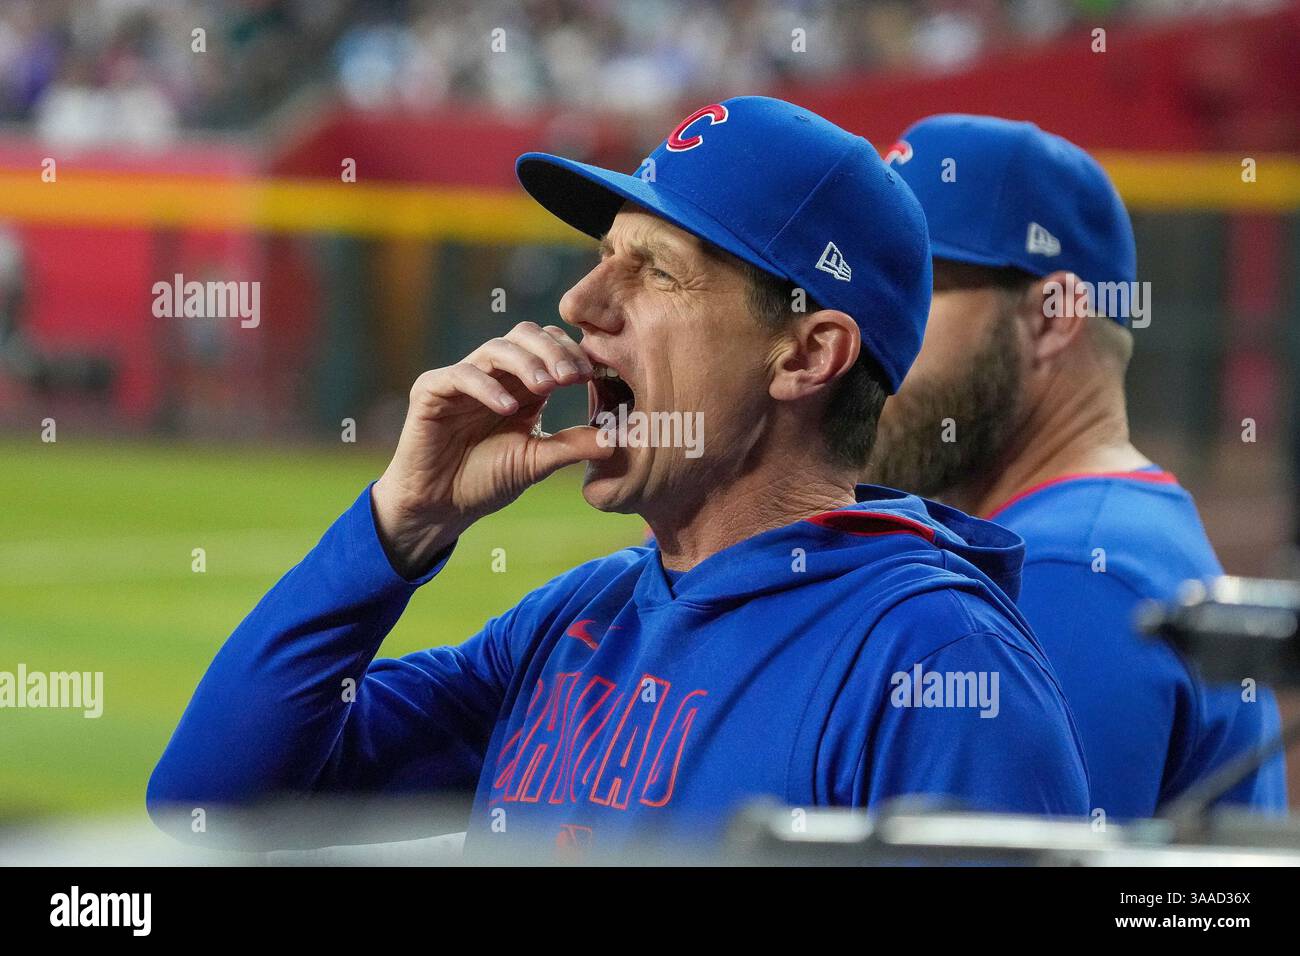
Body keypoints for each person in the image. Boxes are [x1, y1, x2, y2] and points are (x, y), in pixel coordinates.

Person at [148, 97, 1088, 857]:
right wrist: (401, 525)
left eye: (655, 272)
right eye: (604, 258)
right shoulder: (574, 624)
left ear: (807, 355)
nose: (580, 302)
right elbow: (208, 802)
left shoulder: (935, 662)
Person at [870, 114, 1287, 820]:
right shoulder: (1105, 531)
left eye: (916, 290)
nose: (872, 333)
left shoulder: (1068, 573)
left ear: (1053, 317)